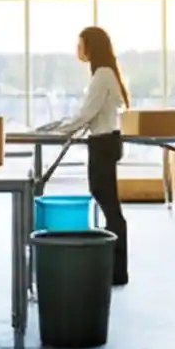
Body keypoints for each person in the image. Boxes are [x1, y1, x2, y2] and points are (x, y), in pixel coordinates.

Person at [51, 26, 130, 286]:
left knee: (109, 205)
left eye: (80, 44)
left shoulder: (102, 74)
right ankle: (115, 268)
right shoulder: (103, 73)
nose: (77, 49)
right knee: (106, 201)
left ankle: (117, 270)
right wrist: (64, 126)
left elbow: (86, 114)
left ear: (91, 46)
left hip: (103, 143)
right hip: (104, 141)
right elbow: (89, 112)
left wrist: (59, 130)